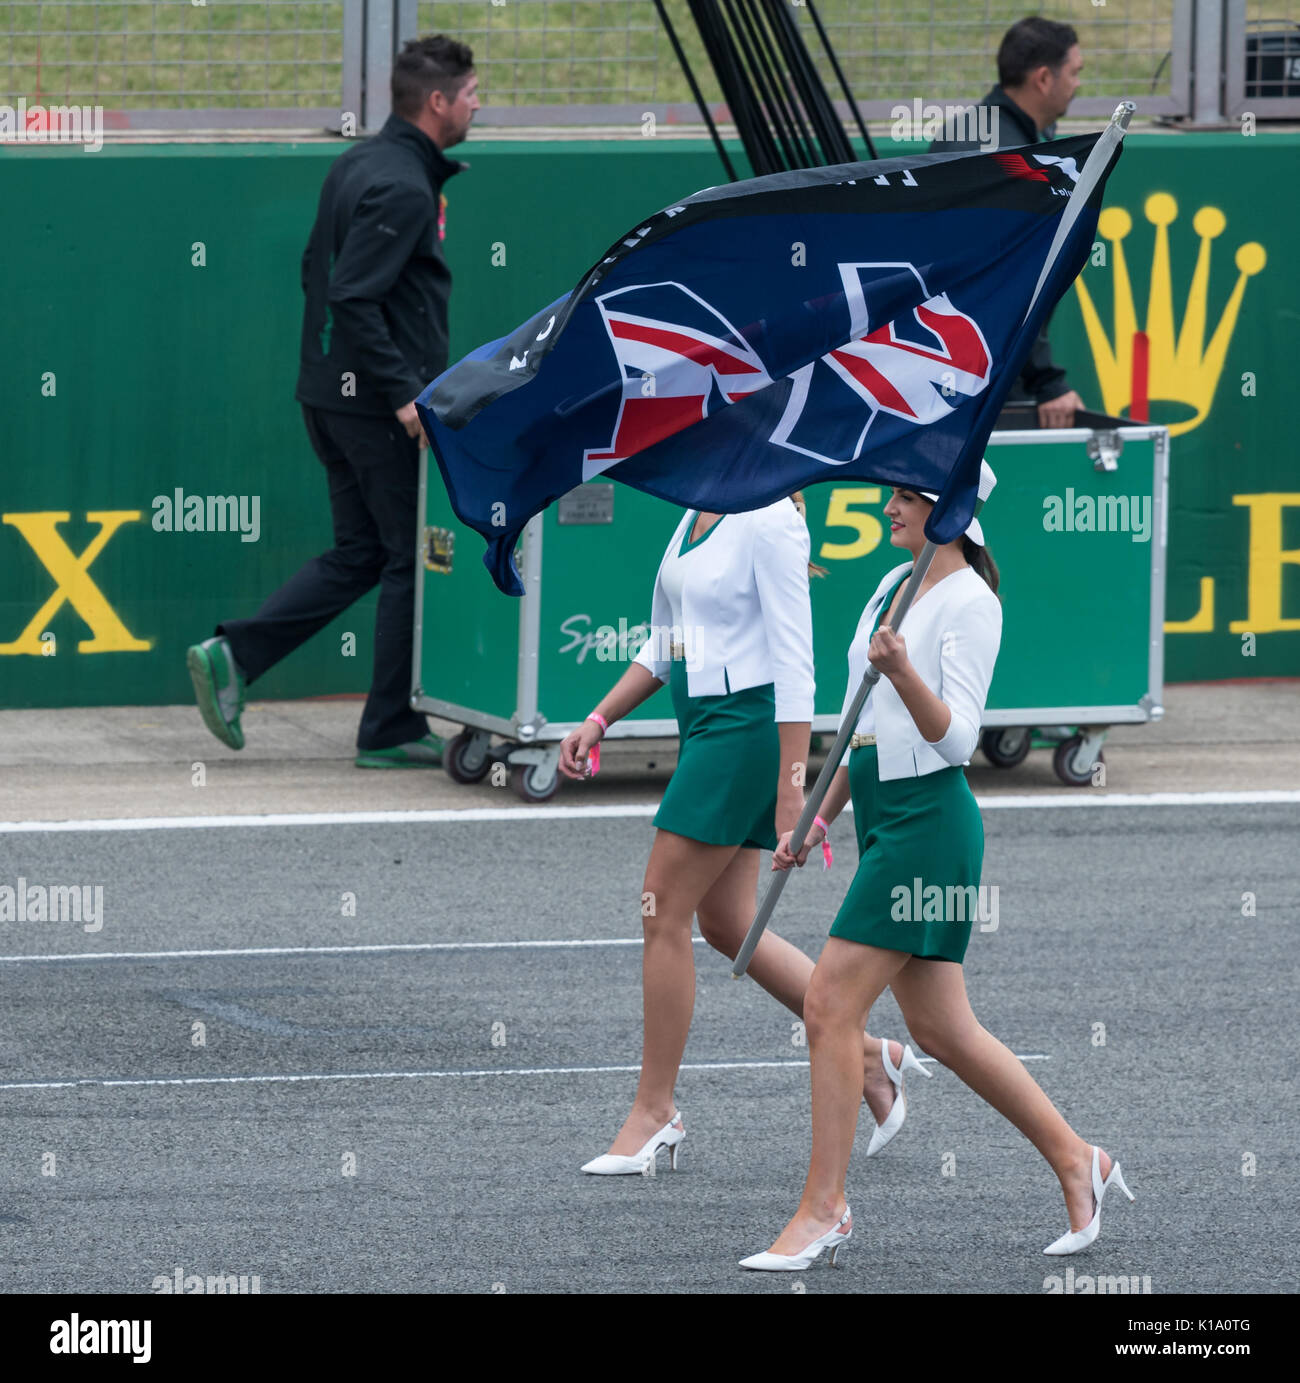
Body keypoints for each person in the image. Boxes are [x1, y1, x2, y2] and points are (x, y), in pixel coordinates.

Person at [741, 463, 1135, 1269]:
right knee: (943, 1029)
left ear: (950, 509)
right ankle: (1078, 1158)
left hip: (931, 824)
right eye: (894, 493)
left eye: (907, 497)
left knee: (826, 1004)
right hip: (886, 814)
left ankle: (824, 1208)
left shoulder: (972, 602)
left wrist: (904, 670)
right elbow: (861, 728)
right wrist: (817, 814)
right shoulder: (891, 582)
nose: (889, 507)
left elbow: (957, 739)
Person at [559, 496, 921, 1176]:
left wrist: (793, 793)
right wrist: (599, 717)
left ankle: (655, 1111)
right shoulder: (696, 510)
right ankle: (870, 1055)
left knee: (661, 906)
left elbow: (796, 665)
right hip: (703, 722)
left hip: (745, 728)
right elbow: (667, 645)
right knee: (727, 922)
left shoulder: (770, 520)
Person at [186, 35, 480, 768]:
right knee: (411, 558)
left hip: (329, 397)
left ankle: (234, 655)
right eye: (472, 92)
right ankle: (389, 728)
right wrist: (405, 395)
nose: (480, 103)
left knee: (362, 553)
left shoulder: (359, 164)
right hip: (374, 410)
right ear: (438, 102)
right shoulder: (405, 187)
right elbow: (352, 294)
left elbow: (313, 270)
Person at [930, 16, 1087, 429]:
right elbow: (1018, 284)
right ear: (1042, 79)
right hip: (990, 374)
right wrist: (1046, 381)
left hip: (933, 363)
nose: (1077, 84)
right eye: (1074, 73)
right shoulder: (1022, 165)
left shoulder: (960, 132)